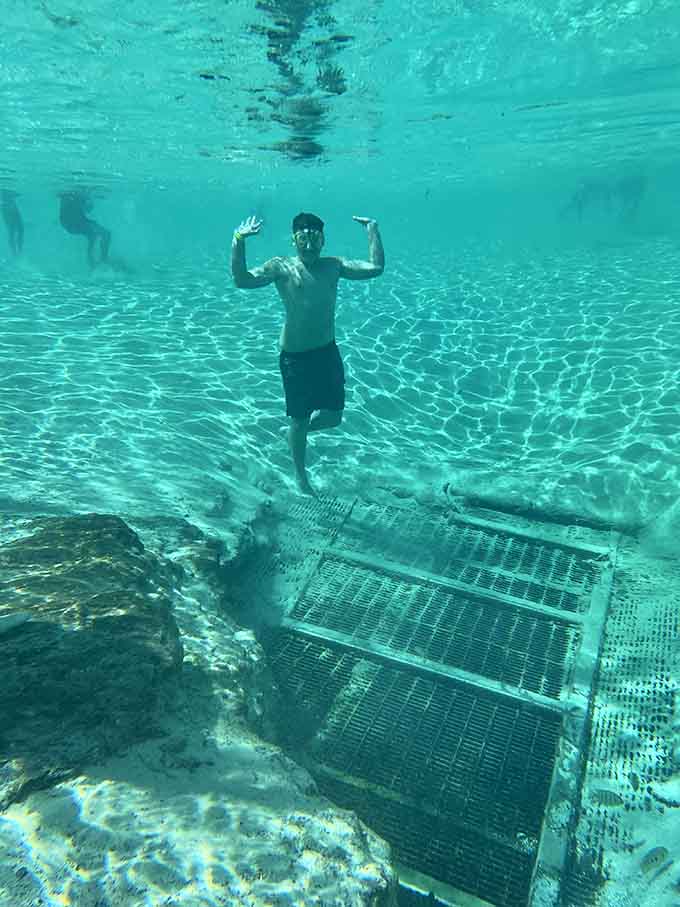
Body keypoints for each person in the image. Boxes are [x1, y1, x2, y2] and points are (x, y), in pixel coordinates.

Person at [231, 211, 385, 495]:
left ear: (323, 240)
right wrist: (239, 239)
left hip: (327, 352)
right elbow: (242, 280)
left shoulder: (333, 266)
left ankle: (293, 434)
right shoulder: (281, 267)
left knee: (334, 417)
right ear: (294, 241)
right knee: (299, 420)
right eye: (304, 239)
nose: (310, 246)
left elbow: (376, 267)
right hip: (295, 358)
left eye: (315, 239)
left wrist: (372, 230)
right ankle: (302, 479)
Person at [59, 190, 111, 267]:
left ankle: (95, 261)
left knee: (95, 235)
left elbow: (87, 209)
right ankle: (102, 259)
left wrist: (88, 200)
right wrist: (86, 200)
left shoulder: (76, 195)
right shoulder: (69, 195)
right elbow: (86, 209)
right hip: (72, 222)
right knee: (104, 234)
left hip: (76, 221)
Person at [1, 190, 24, 256]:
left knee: (16, 231)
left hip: (11, 213)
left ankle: (17, 251)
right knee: (13, 232)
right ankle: (15, 252)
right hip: (9, 213)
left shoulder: (6, 202)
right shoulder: (5, 204)